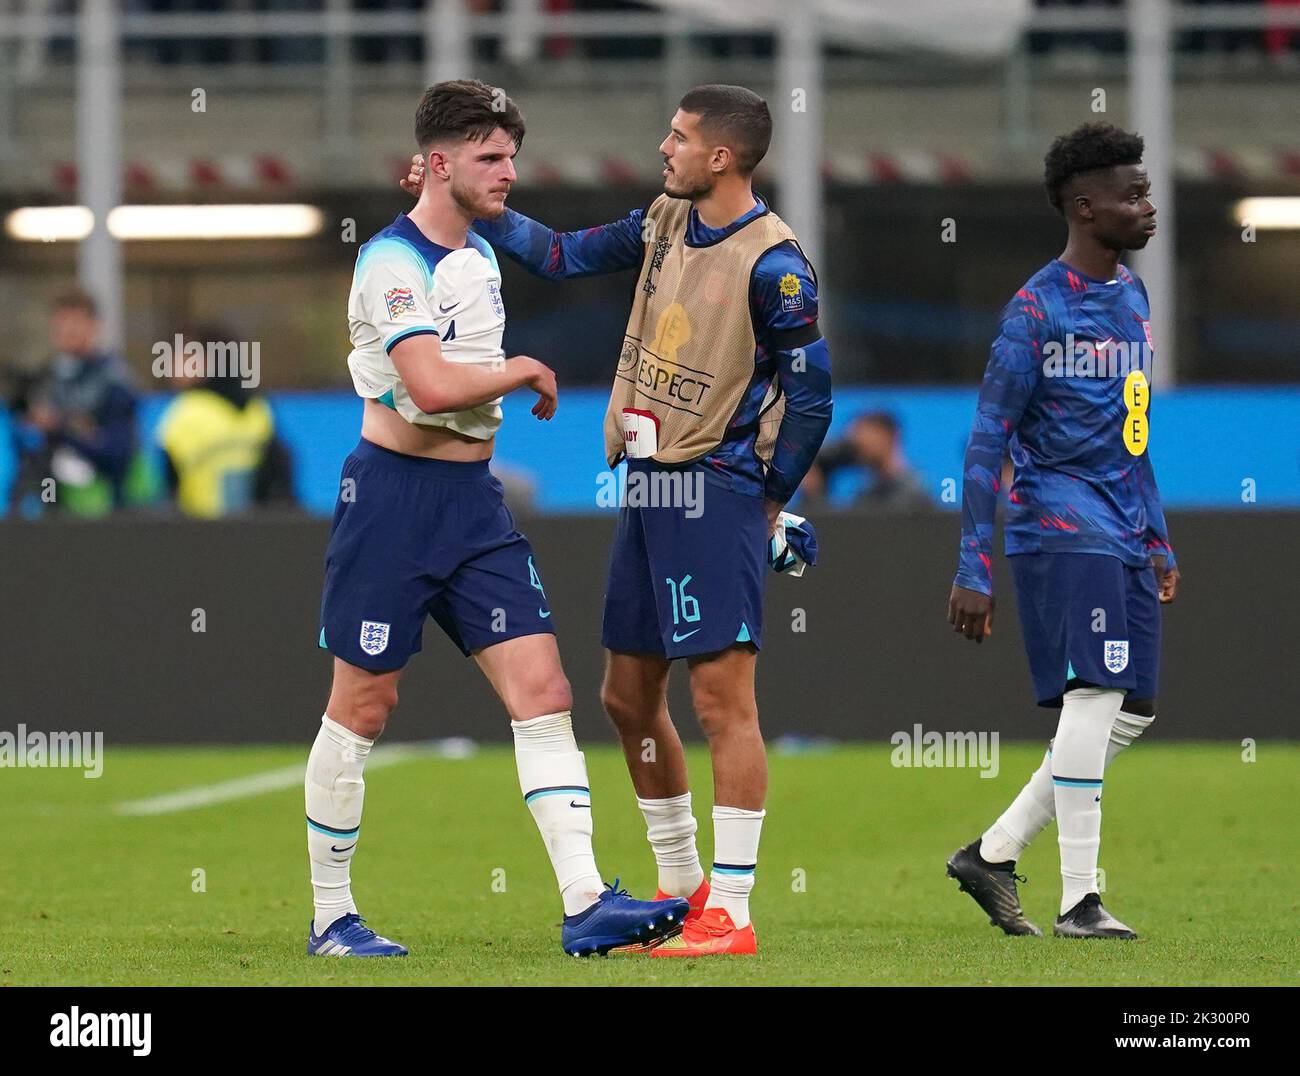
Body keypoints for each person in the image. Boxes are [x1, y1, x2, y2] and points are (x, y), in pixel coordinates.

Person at [402, 82, 834, 956]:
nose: (663, 149)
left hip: (713, 485)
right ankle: (683, 884)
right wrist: (469, 201)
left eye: (677, 138)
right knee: (626, 697)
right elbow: (559, 256)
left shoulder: (776, 264)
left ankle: (735, 913)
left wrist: (768, 503)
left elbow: (814, 393)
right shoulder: (663, 222)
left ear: (722, 156)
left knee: (722, 701)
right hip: (648, 484)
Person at [306, 79, 689, 959]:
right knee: (364, 704)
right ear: (438, 165)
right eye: (490, 156)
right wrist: (520, 369)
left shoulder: (478, 255)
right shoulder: (391, 263)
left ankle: (586, 903)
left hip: (475, 507)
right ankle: (332, 917)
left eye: (512, 154)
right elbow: (432, 387)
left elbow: (554, 254)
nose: (510, 171)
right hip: (393, 499)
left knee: (545, 693)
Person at [945, 123, 1179, 940]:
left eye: (1146, 191)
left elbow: (1135, 426)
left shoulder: (1134, 296)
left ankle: (994, 852)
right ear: (1086, 207)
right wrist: (974, 565)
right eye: (1133, 194)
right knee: (1096, 692)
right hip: (1057, 518)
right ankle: (1080, 899)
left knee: (1133, 708)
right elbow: (987, 438)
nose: (1148, 207)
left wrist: (1157, 535)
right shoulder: (1036, 306)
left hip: (1122, 524)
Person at [7, 289, 137, 518]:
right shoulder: (45, 379)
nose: (67, 334)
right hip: (47, 503)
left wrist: (62, 427)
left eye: (75, 325)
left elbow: (117, 452)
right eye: (60, 327)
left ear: (94, 326)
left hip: (100, 508)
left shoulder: (114, 382)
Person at [155, 327, 295, 518]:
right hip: (254, 533)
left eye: (186, 356)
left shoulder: (183, 412)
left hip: (196, 533)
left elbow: (165, 486)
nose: (174, 364)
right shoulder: (259, 409)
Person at [800, 410, 934, 513]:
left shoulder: (912, 491)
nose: (858, 447)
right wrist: (814, 491)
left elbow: (880, 532)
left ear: (888, 436)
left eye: (864, 437)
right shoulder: (867, 493)